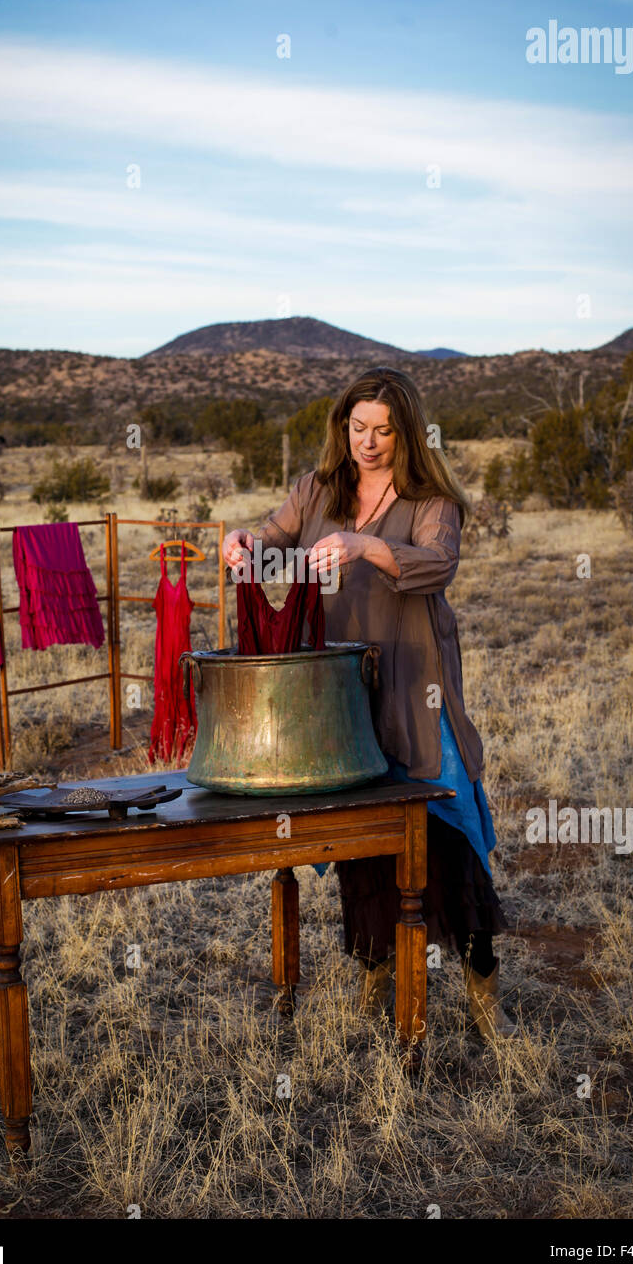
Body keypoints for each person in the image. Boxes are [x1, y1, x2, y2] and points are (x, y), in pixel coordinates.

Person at [222, 366, 517, 1041]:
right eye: (358, 428)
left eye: (384, 430)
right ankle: (374, 972)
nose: (370, 442)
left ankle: (482, 993)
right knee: (361, 845)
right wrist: (242, 545)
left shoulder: (432, 498)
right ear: (342, 426)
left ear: (407, 432)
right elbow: (268, 549)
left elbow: (438, 564)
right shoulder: (317, 491)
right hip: (339, 701)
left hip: (417, 691)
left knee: (449, 842)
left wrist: (367, 546)